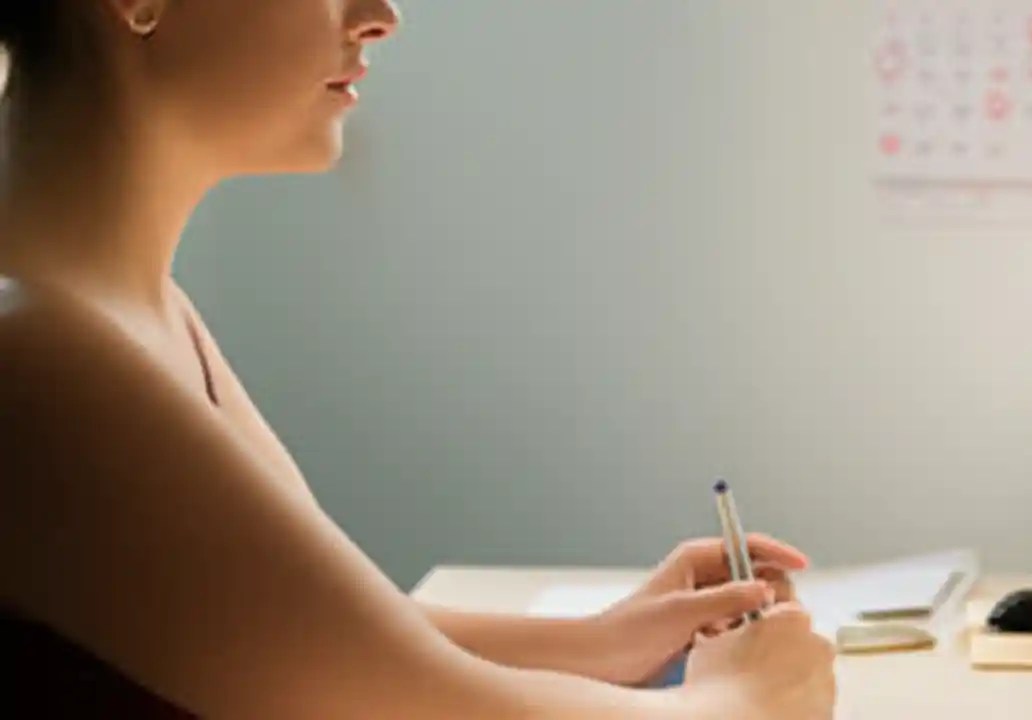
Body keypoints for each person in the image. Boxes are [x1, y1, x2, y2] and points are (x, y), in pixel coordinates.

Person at [0, 1, 837, 717]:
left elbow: (327, 638)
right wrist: (742, 700)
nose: (380, 16)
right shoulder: (34, 358)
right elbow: (420, 707)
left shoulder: (123, 317)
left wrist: (609, 639)